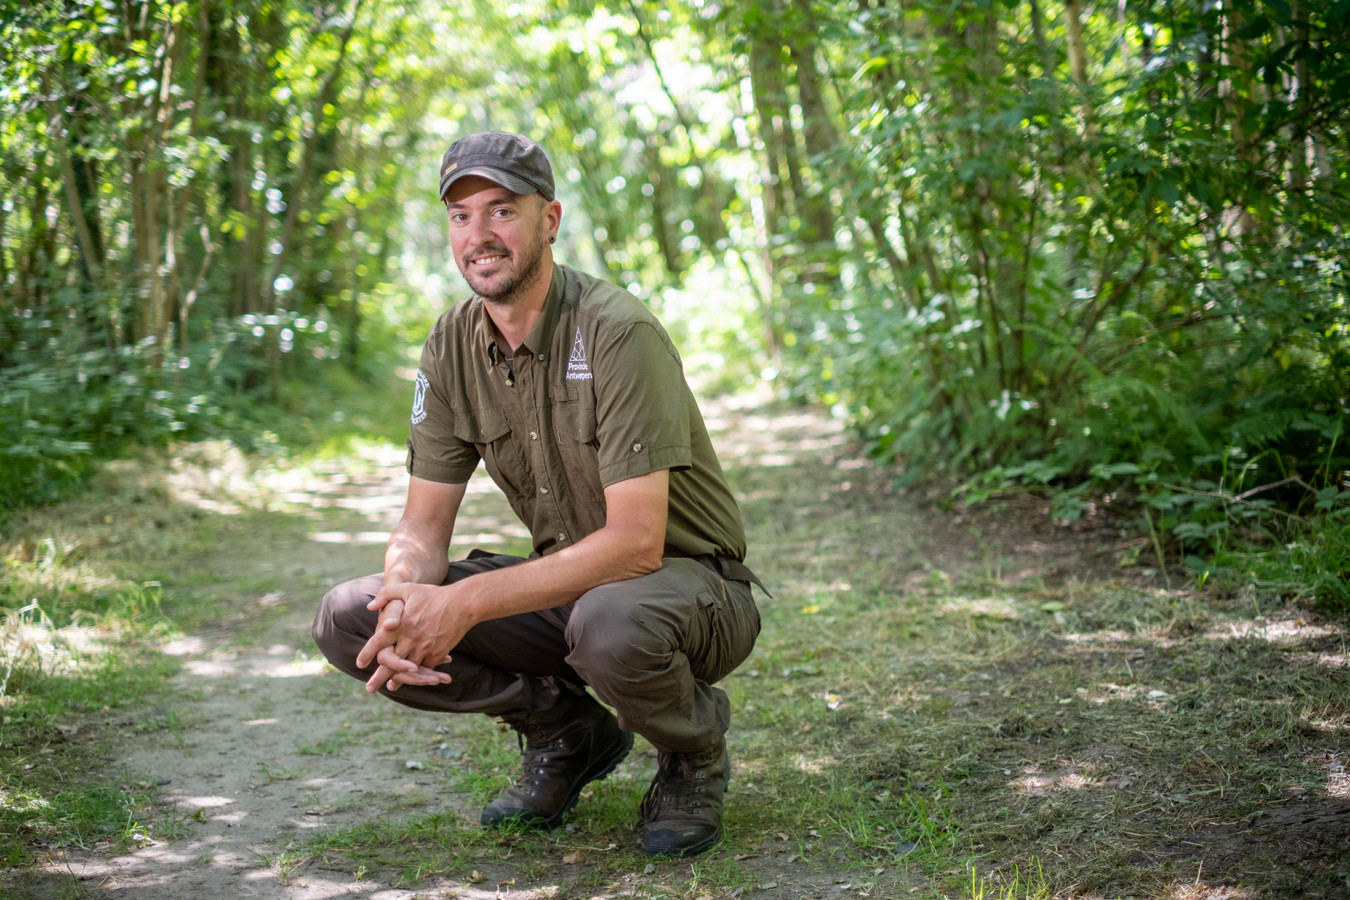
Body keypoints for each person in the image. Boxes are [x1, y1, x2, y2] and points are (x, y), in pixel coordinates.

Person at [311, 131, 764, 859]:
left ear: (548, 221)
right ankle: (565, 731)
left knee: (613, 622)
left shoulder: (618, 332)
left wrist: (459, 605)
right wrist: (406, 601)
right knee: (350, 618)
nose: (479, 235)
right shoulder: (451, 344)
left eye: (501, 211)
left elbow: (636, 545)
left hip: (686, 591)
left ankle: (693, 753)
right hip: (573, 593)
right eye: (461, 217)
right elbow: (422, 526)